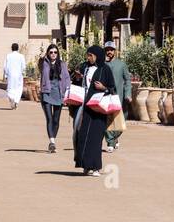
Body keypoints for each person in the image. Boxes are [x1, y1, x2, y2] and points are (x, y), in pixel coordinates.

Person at [73, 45, 115, 177]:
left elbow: (113, 89)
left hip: (98, 109)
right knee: (82, 136)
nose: (88, 58)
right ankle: (85, 166)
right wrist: (78, 78)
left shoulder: (105, 69)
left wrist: (104, 88)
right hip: (84, 107)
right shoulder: (85, 67)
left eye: (91, 55)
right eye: (88, 55)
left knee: (96, 138)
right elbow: (78, 83)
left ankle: (95, 167)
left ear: (97, 56)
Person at [39, 44, 71, 153]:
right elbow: (40, 65)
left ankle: (53, 140)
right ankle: (52, 142)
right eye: (51, 52)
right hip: (46, 93)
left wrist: (67, 92)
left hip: (58, 93)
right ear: (48, 53)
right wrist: (44, 58)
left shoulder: (62, 64)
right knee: (49, 118)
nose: (53, 54)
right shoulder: (44, 63)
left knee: (56, 120)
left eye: (55, 52)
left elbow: (67, 78)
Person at [103, 41, 130, 153]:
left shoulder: (121, 64)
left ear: (115, 51)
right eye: (107, 50)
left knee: (122, 119)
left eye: (111, 50)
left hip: (120, 97)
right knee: (107, 120)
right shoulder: (102, 65)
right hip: (106, 96)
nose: (109, 52)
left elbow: (127, 80)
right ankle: (110, 141)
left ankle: (114, 137)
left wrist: (128, 94)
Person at [3, 43, 27, 110]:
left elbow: (5, 66)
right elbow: (24, 66)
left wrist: (6, 75)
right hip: (19, 75)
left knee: (10, 88)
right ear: (18, 48)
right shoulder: (21, 56)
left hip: (10, 75)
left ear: (11, 48)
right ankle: (16, 101)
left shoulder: (8, 56)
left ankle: (12, 98)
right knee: (18, 88)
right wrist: (23, 73)